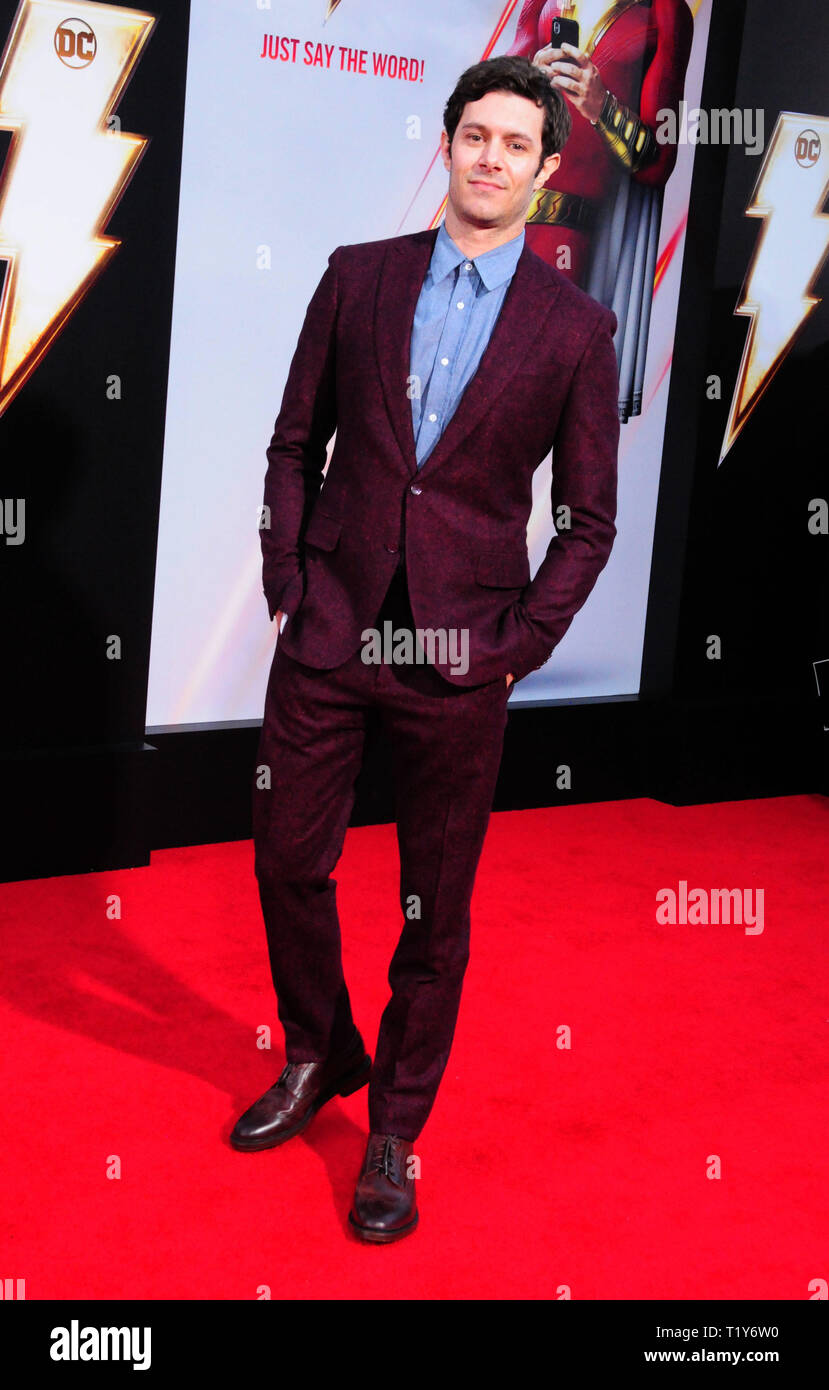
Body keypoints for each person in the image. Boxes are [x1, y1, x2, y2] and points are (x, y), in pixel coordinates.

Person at [230, 54, 620, 1244]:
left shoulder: (576, 328)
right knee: (287, 858)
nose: (492, 158)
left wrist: (518, 645)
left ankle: (393, 1131)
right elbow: (292, 446)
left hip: (464, 655)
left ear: (546, 172)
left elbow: (589, 520)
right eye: (475, 136)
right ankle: (318, 1052)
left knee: (430, 912)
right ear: (445, 145)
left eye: (517, 144)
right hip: (334, 630)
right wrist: (290, 584)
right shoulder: (358, 279)